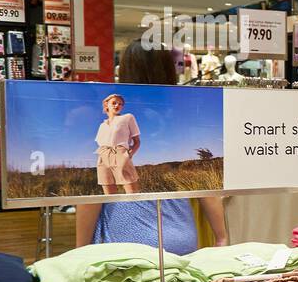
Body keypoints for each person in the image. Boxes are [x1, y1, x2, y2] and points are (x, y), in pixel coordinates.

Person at [75, 41, 229, 254]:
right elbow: (206, 185)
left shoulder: (113, 118)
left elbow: (91, 197)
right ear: (169, 68)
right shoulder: (184, 113)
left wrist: (79, 250)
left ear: (125, 69)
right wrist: (221, 237)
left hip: (127, 242)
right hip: (181, 237)